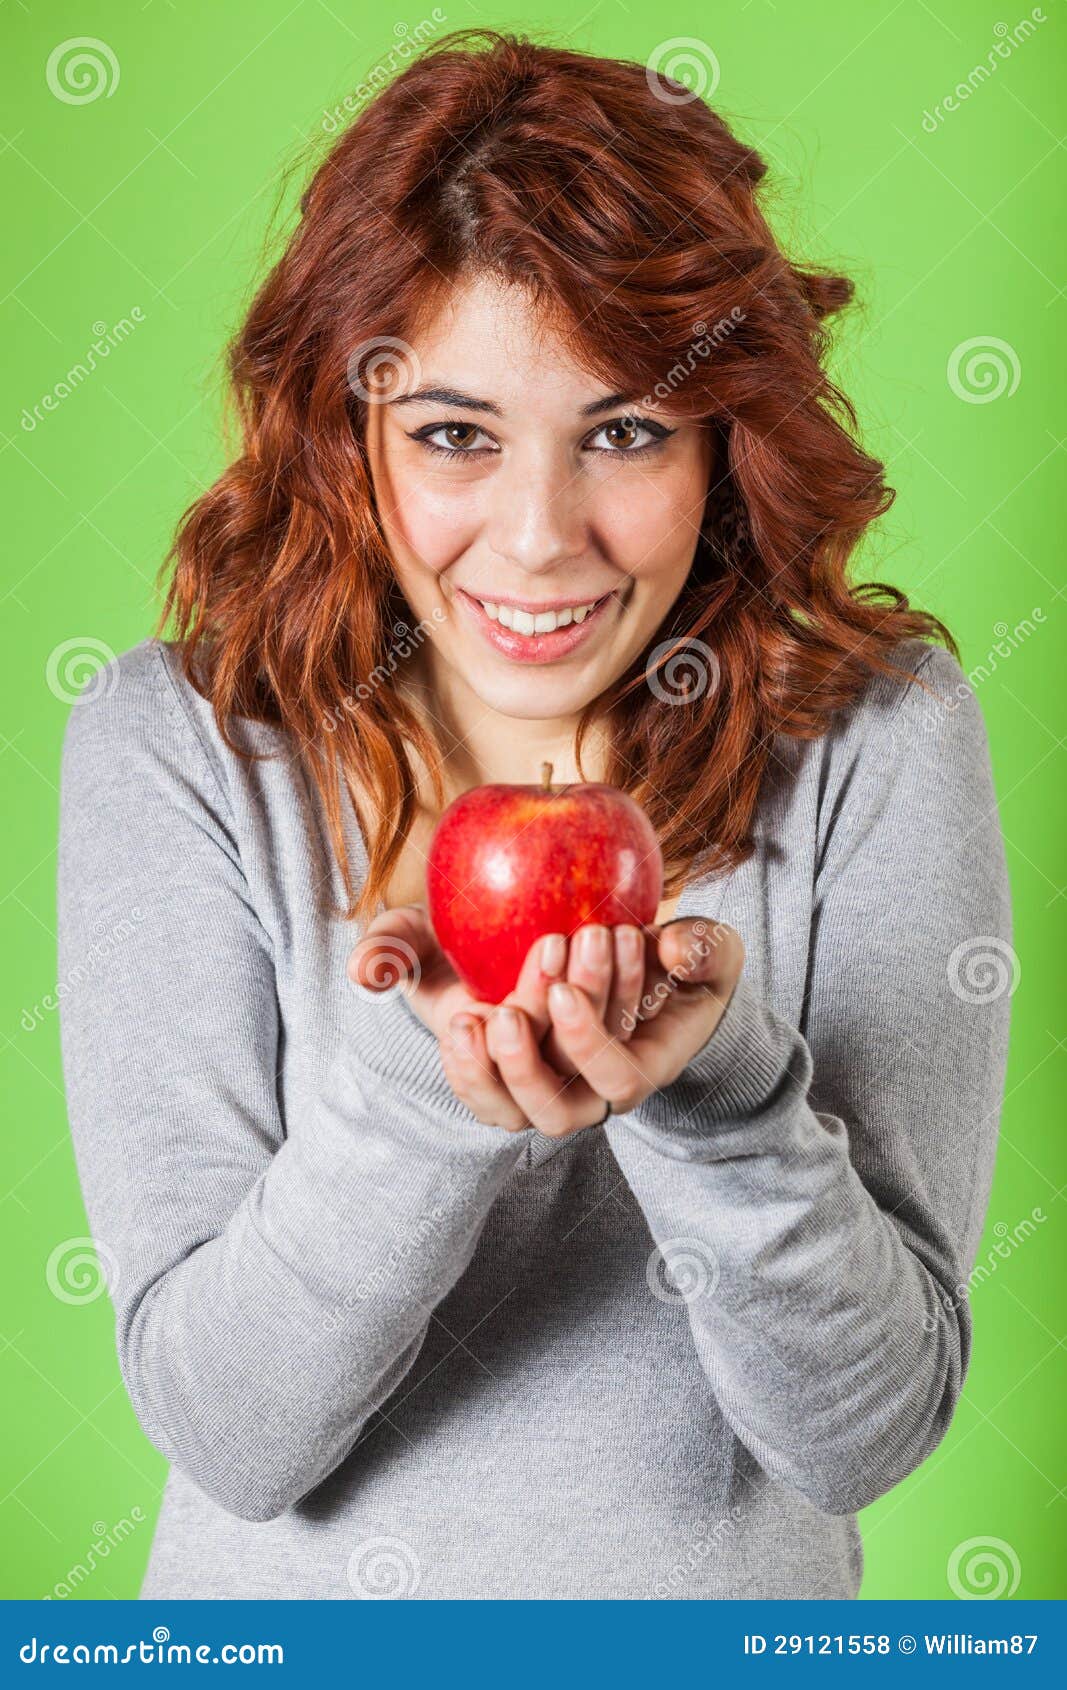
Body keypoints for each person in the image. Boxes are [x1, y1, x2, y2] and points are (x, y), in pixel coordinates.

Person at [57, 30, 1012, 1600]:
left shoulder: (874, 735)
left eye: (625, 430)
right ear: (346, 432)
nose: (539, 536)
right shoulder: (183, 746)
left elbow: (867, 1438)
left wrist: (718, 1092)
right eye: (455, 434)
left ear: (725, 437)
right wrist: (428, 1095)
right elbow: (233, 1435)